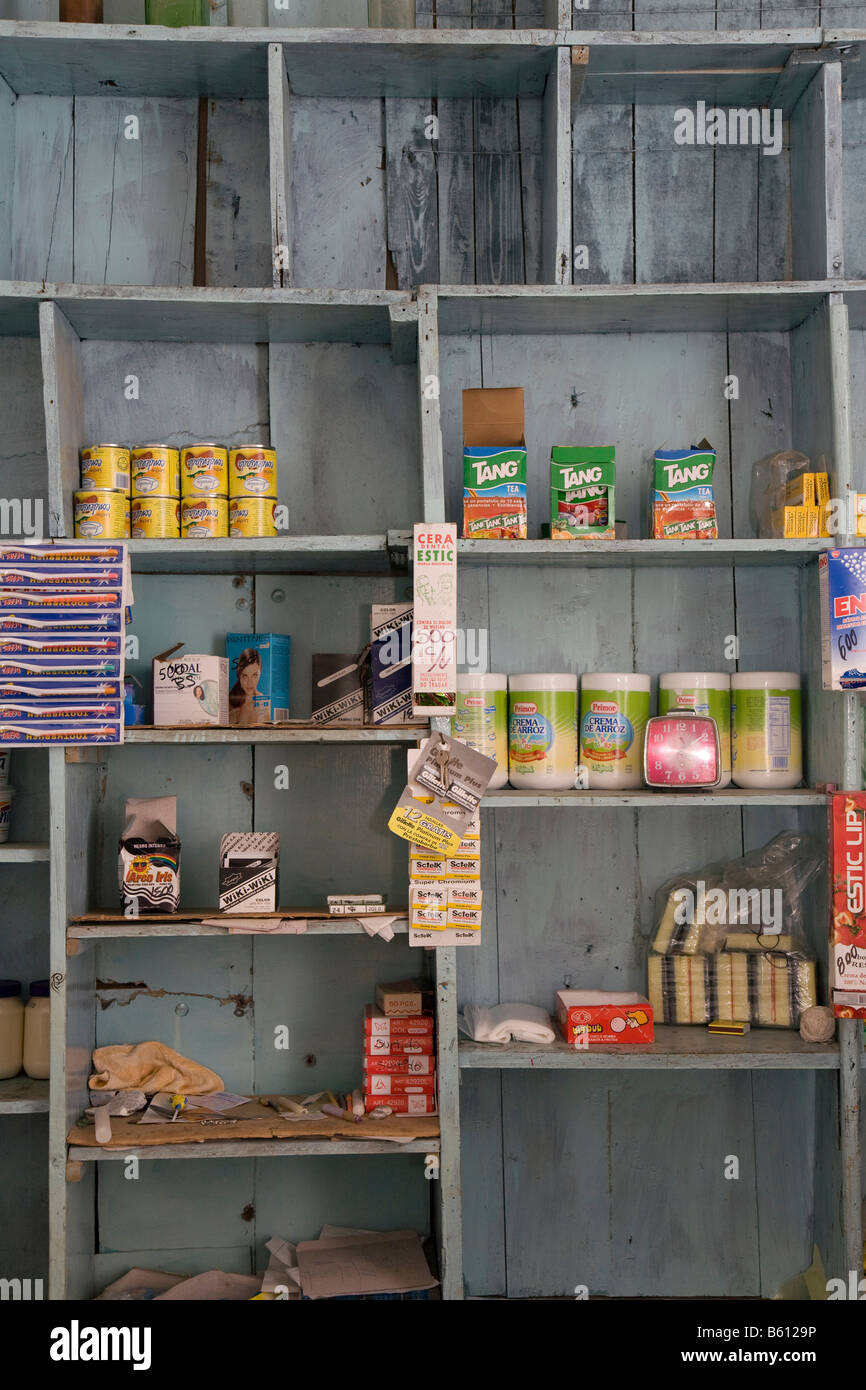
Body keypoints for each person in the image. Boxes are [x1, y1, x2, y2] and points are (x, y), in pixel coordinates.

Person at [229, 648, 266, 726]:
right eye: (245, 676)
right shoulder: (230, 702)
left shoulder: (264, 701)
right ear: (239, 676)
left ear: (260, 674)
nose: (250, 683)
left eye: (254, 675)